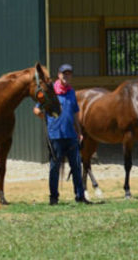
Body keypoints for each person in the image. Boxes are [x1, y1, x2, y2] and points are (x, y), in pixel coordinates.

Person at [33, 63, 88, 205]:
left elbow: (75, 113)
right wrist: (46, 115)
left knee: (76, 166)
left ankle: (80, 196)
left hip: (71, 135)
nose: (66, 76)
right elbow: (36, 110)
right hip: (55, 135)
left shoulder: (71, 92)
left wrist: (79, 131)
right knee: (54, 167)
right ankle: (54, 198)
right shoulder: (50, 92)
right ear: (59, 75)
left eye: (69, 73)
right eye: (64, 73)